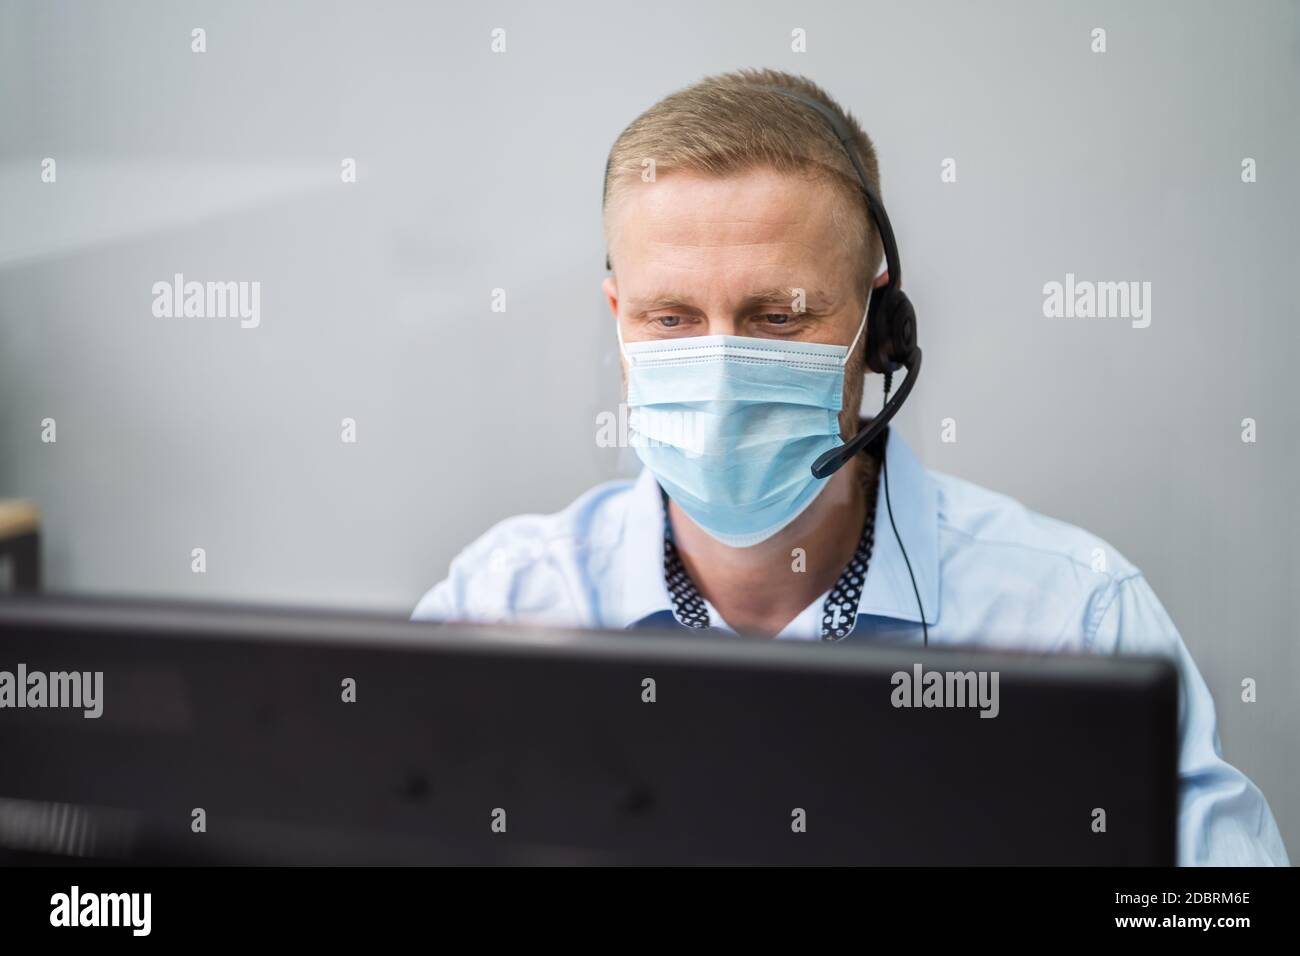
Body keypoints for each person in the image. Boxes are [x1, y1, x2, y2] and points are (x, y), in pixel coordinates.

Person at [413, 68, 1288, 866]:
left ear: (880, 329)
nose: (720, 372)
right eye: (670, 318)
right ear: (618, 316)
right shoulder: (498, 608)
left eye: (779, 316)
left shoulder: (1075, 619)